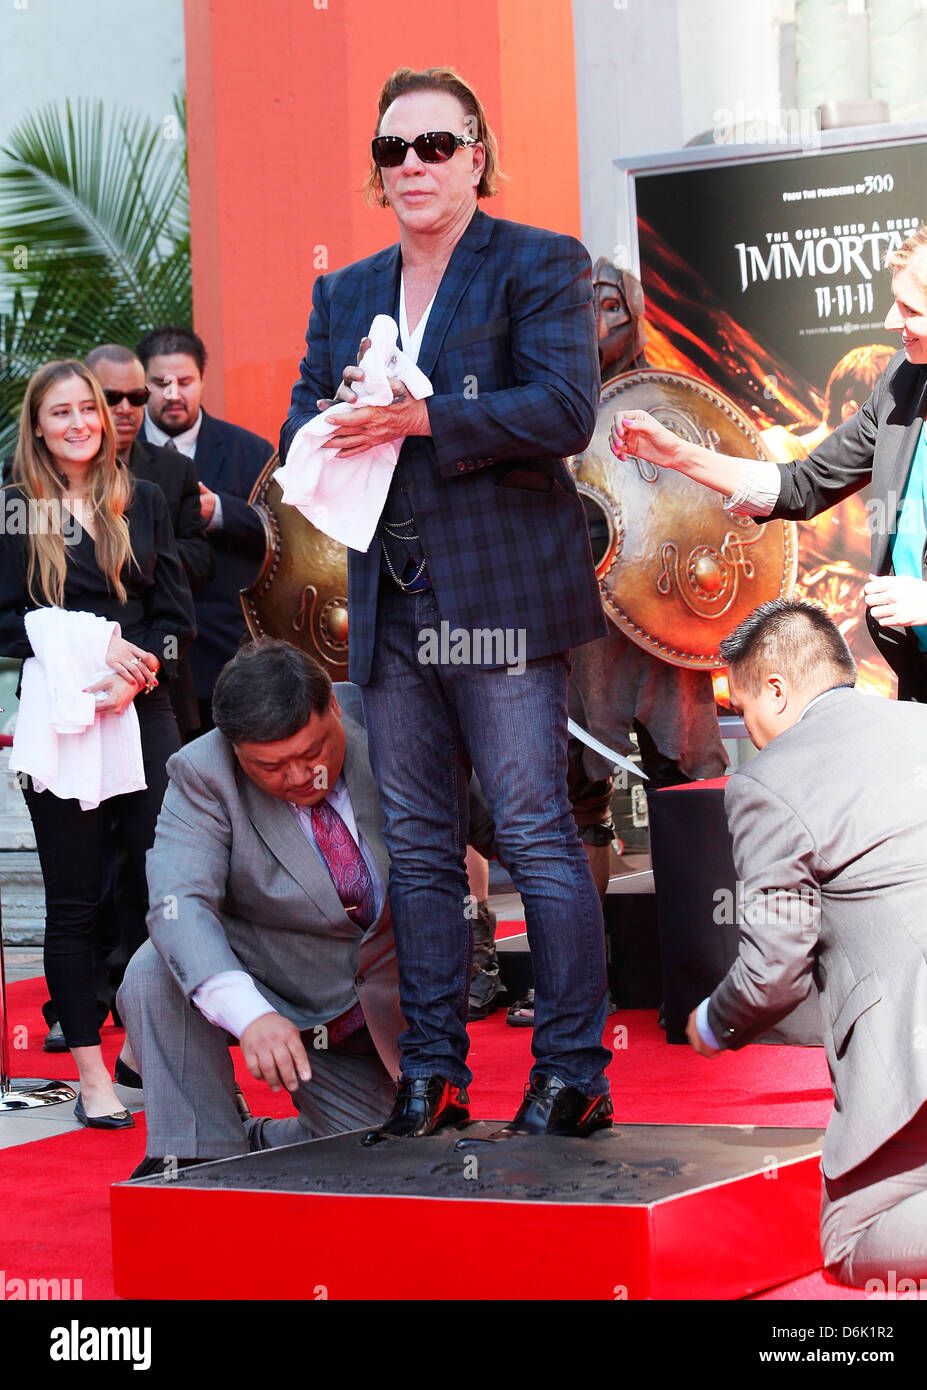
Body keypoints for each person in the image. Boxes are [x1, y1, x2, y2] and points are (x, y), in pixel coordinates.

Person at [281, 65, 613, 1142]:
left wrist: (421, 422)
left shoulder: (537, 260)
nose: (412, 165)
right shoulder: (347, 292)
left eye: (435, 144)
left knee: (532, 833)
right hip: (387, 603)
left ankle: (570, 1071)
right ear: (377, 172)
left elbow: (564, 409)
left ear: (477, 153)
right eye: (393, 150)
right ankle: (428, 1070)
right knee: (418, 848)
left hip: (506, 597)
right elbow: (300, 411)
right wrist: (337, 416)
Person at [686, 599, 927, 1288]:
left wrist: (713, 1021)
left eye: (745, 708)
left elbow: (774, 970)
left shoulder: (768, 781)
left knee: (853, 1238)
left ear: (775, 687)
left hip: (923, 1039)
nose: (754, 733)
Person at [610, 219, 927, 706]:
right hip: (921, 683)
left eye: (910, 309)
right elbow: (804, 484)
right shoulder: (903, 380)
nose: (891, 321)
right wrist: (677, 453)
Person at [117, 640, 410, 1176]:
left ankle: (250, 1137)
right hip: (274, 985)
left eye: (313, 754)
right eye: (270, 766)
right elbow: (177, 899)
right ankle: (201, 1154)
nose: (299, 777)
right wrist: (250, 1014)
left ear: (335, 708)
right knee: (154, 969)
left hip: (380, 1016)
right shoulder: (201, 771)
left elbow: (495, 816)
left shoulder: (394, 718)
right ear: (234, 750)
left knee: (382, 1159)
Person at [0, 360, 195, 1128]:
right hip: (60, 718)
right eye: (61, 412)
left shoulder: (141, 499)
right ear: (38, 426)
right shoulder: (16, 511)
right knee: (76, 902)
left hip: (142, 711)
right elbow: (4, 622)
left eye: (89, 407)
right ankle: (91, 1075)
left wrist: (135, 676)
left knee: (170, 891)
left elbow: (173, 611)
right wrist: (87, 642)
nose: (81, 421)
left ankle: (152, 1053)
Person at [136, 325, 272, 733]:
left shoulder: (250, 451)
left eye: (185, 381)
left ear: (202, 381)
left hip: (226, 654)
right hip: (140, 655)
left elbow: (286, 532)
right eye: (160, 383)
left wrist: (221, 512)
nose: (173, 394)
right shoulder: (113, 454)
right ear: (142, 385)